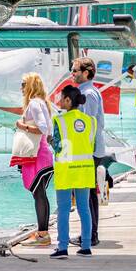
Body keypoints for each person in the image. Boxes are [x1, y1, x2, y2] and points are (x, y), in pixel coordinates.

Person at [49, 84, 95, 258]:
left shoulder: (59, 120)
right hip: (85, 169)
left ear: (68, 100)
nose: (60, 101)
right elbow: (92, 145)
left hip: (67, 169)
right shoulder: (90, 121)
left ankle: (62, 247)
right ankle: (86, 246)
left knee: (63, 209)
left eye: (62, 98)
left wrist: (50, 141)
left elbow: (60, 147)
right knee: (84, 209)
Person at [71, 56, 111, 245]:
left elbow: (85, 125)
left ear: (86, 73)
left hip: (88, 150)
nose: (72, 74)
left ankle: (90, 235)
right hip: (91, 149)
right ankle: (90, 234)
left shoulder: (87, 94)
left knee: (85, 195)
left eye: (75, 70)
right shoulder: (86, 92)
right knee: (88, 194)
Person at [14, 72, 55, 248]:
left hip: (37, 155)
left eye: (24, 84)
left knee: (38, 194)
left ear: (31, 85)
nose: (21, 87)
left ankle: (43, 234)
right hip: (42, 153)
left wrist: (22, 126)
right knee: (39, 194)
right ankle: (42, 232)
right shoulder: (42, 103)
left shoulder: (34, 103)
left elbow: (43, 129)